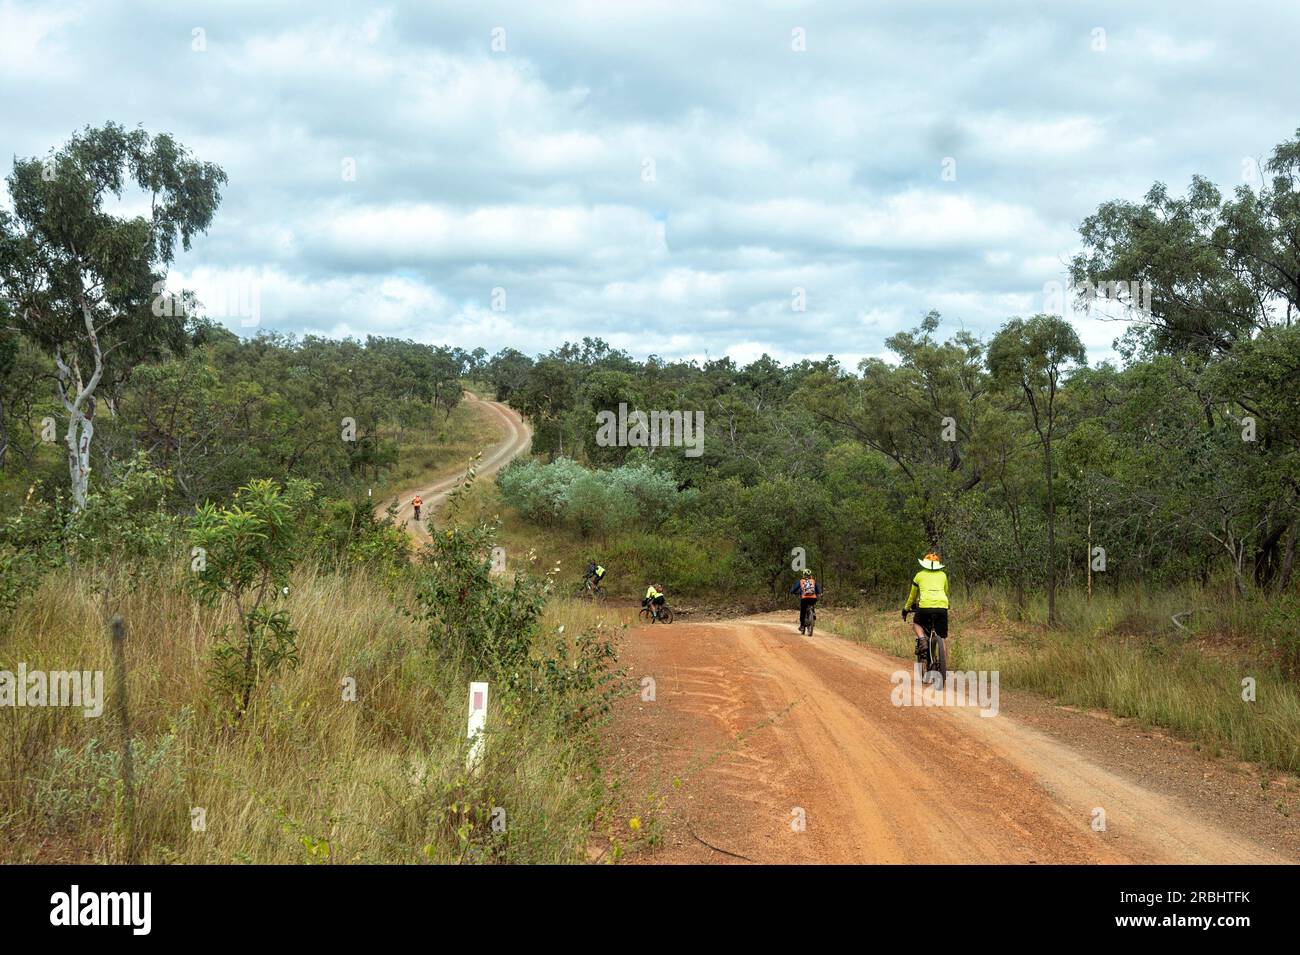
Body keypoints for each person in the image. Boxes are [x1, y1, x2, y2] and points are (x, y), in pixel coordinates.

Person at [902, 551, 949, 654]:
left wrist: (906, 609)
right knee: (943, 638)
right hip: (942, 606)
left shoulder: (919, 575)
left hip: (925, 606)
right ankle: (944, 666)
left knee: (916, 623)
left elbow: (912, 596)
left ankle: (923, 640)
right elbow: (945, 592)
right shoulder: (943, 575)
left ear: (924, 564)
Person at [789, 568, 821, 634]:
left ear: (803, 575)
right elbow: (818, 590)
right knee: (812, 605)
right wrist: (818, 594)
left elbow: (794, 589)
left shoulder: (801, 581)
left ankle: (802, 626)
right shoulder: (813, 581)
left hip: (804, 598)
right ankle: (813, 614)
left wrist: (792, 592)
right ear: (810, 575)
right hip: (813, 598)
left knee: (803, 611)